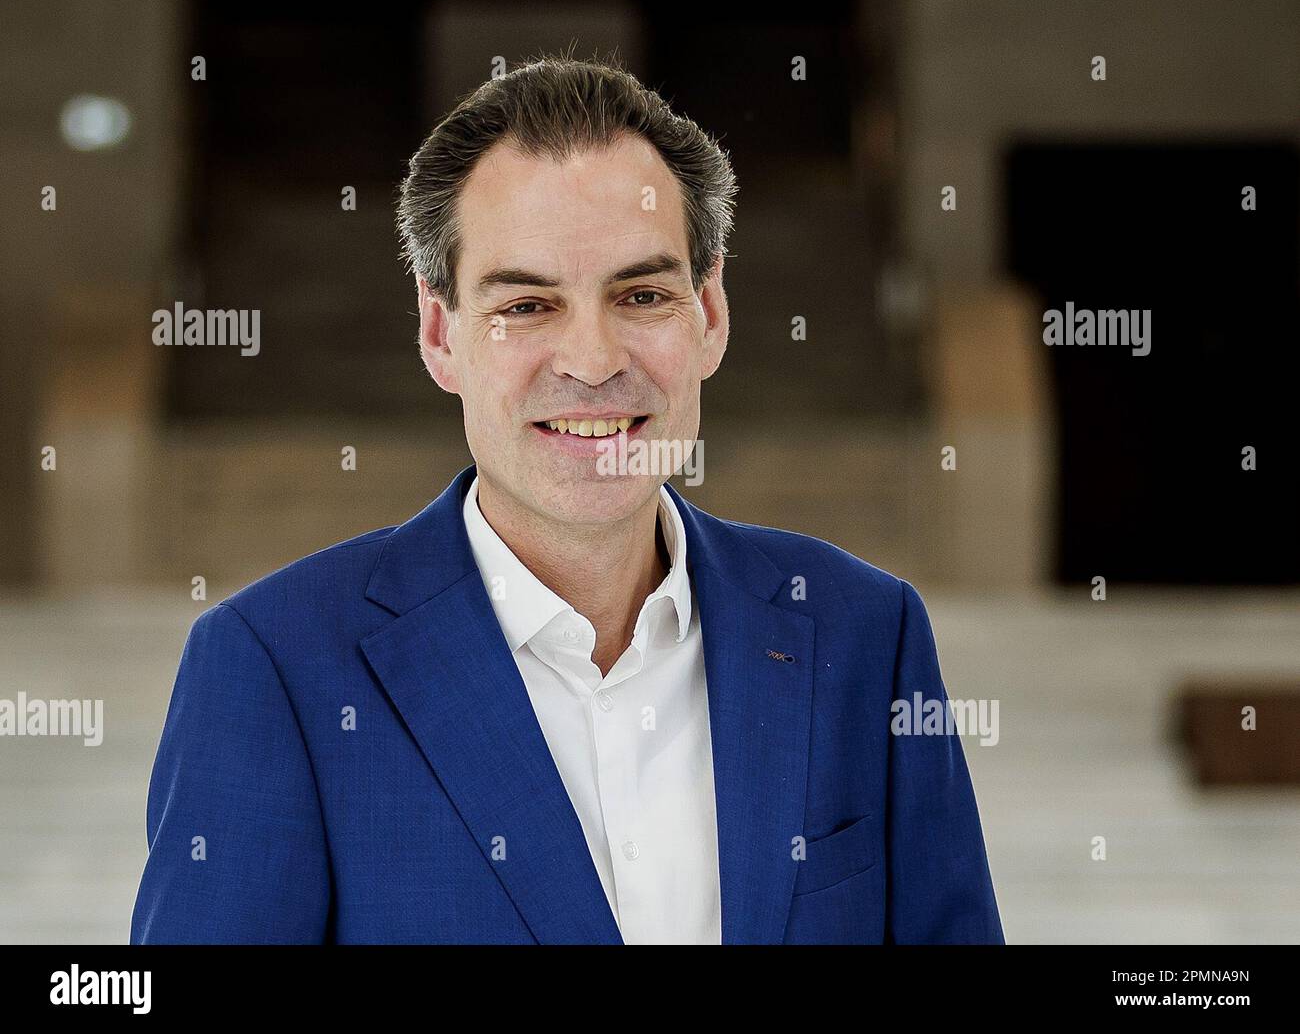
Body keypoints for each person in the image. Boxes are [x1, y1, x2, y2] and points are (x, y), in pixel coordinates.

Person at [130, 54, 1003, 945]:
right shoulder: (272, 668)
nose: (592, 360)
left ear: (711, 314)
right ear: (441, 335)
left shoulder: (865, 634)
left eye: (643, 293)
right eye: (528, 305)